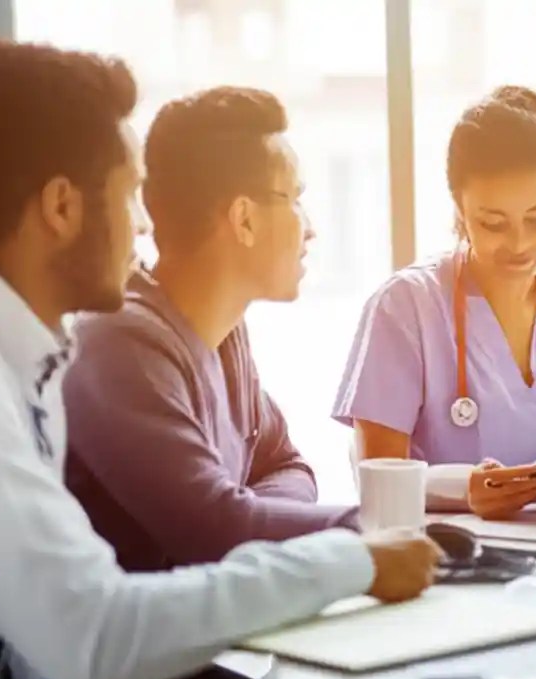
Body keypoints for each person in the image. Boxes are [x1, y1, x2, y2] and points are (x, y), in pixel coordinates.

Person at [0, 41, 439, 679]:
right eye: (130, 193)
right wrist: (353, 558)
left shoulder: (32, 360)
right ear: (63, 209)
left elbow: (27, 580)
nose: (145, 223)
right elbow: (96, 621)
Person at [61, 86, 360, 573]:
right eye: (296, 199)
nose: (310, 228)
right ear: (244, 219)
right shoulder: (122, 345)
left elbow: (286, 464)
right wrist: (377, 527)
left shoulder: (227, 335)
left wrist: (249, 509)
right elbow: (212, 531)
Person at [333, 86, 536, 519]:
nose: (520, 243)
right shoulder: (405, 308)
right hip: (445, 554)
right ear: (460, 210)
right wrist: (461, 489)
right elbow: (377, 477)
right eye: (493, 223)